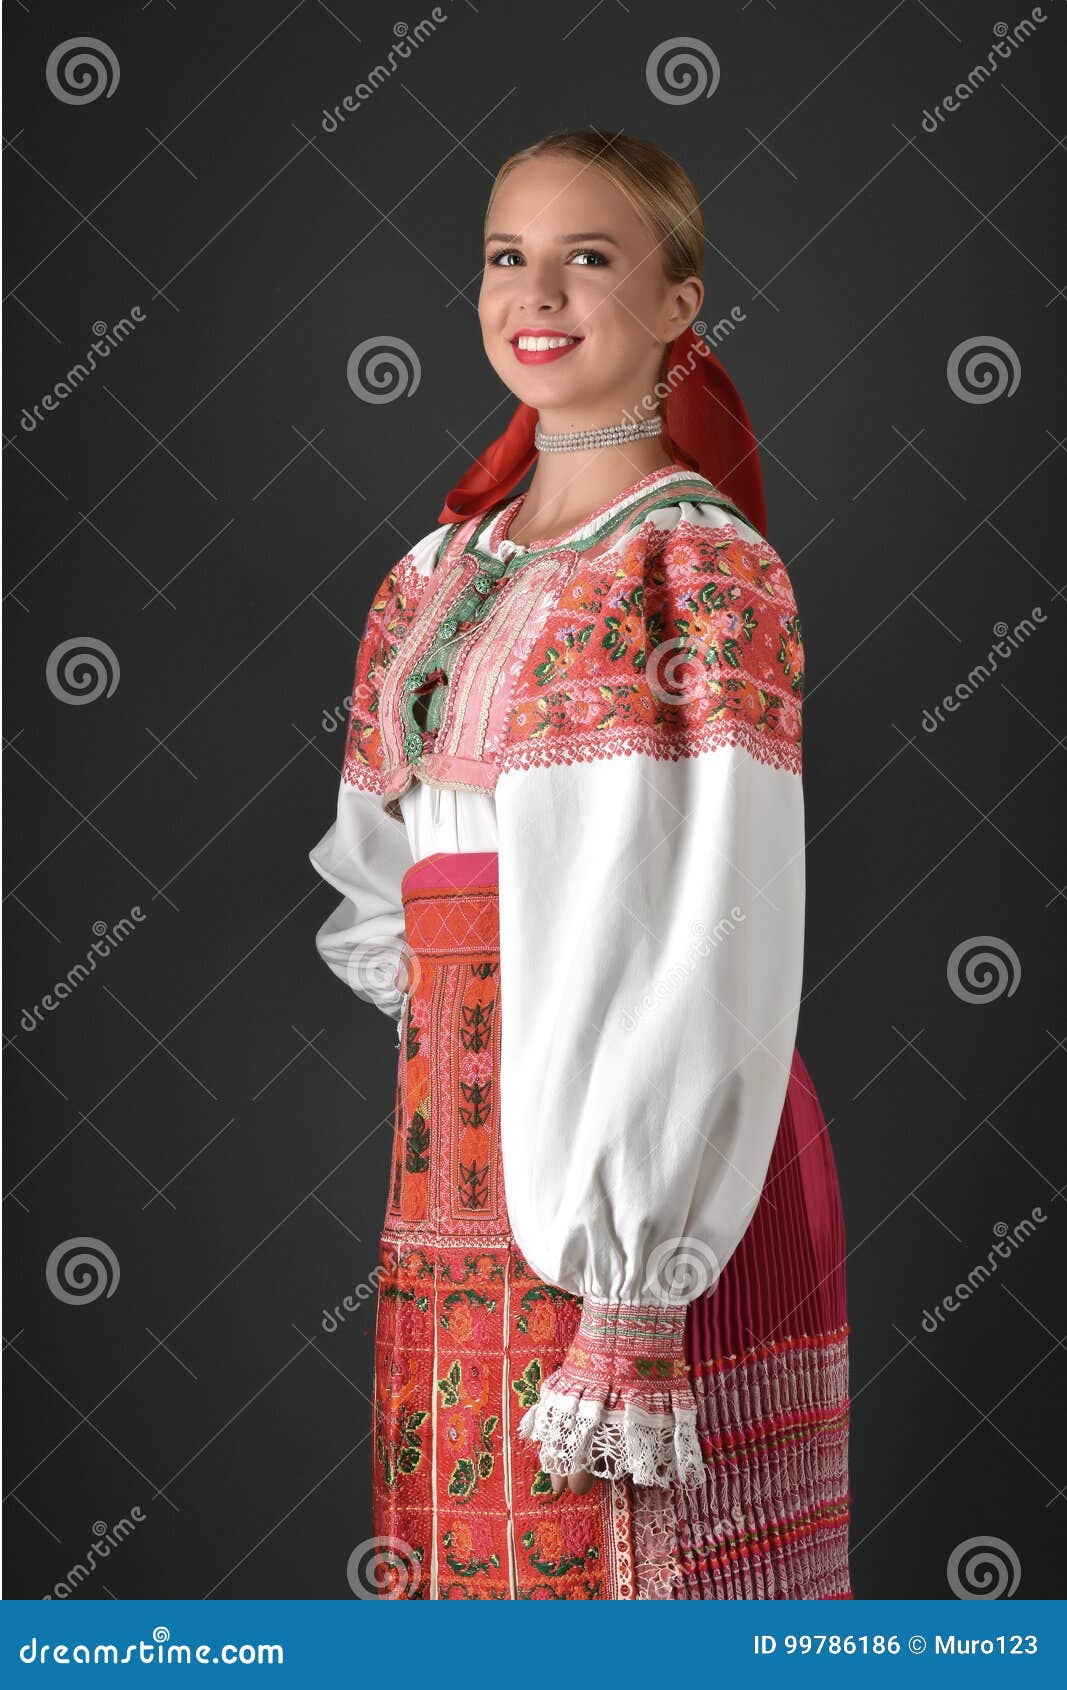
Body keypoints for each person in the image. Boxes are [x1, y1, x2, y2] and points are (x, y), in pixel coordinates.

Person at [308, 128, 851, 1600]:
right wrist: (473, 1041)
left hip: (649, 1169)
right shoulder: (435, 574)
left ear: (680, 302)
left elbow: (709, 930)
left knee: (621, 1590)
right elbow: (384, 882)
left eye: (587, 257)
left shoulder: (697, 565)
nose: (533, 291)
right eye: (506, 256)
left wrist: (636, 1262)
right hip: (455, 1172)